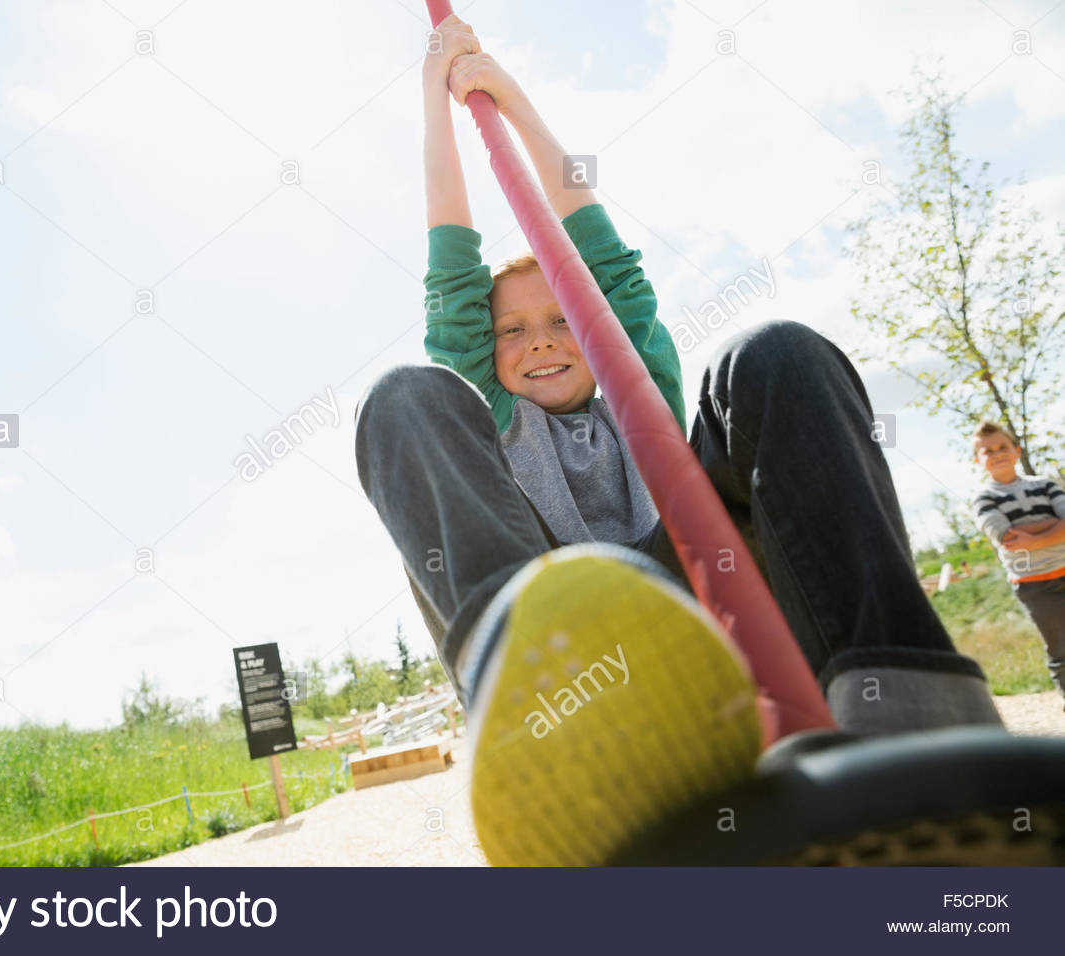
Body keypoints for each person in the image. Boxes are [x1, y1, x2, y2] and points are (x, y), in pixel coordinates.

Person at [354, 15, 1002, 866]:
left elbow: (600, 255)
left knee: (772, 352)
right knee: (405, 398)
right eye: (511, 330)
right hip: (572, 643)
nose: (542, 339)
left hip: (709, 588)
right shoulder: (498, 414)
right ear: (488, 346)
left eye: (561, 318)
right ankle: (542, 710)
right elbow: (451, 270)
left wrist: (507, 94)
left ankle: (910, 714)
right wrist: (437, 103)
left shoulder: (636, 388)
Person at [970, 421, 1065, 707]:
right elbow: (1007, 538)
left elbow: (1021, 537)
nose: (997, 454)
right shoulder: (982, 498)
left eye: (1003, 447)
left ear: (1016, 451)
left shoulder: (1045, 484)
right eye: (988, 451)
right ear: (978, 460)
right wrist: (1054, 527)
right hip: (1034, 584)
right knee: (1060, 645)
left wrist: (1032, 538)